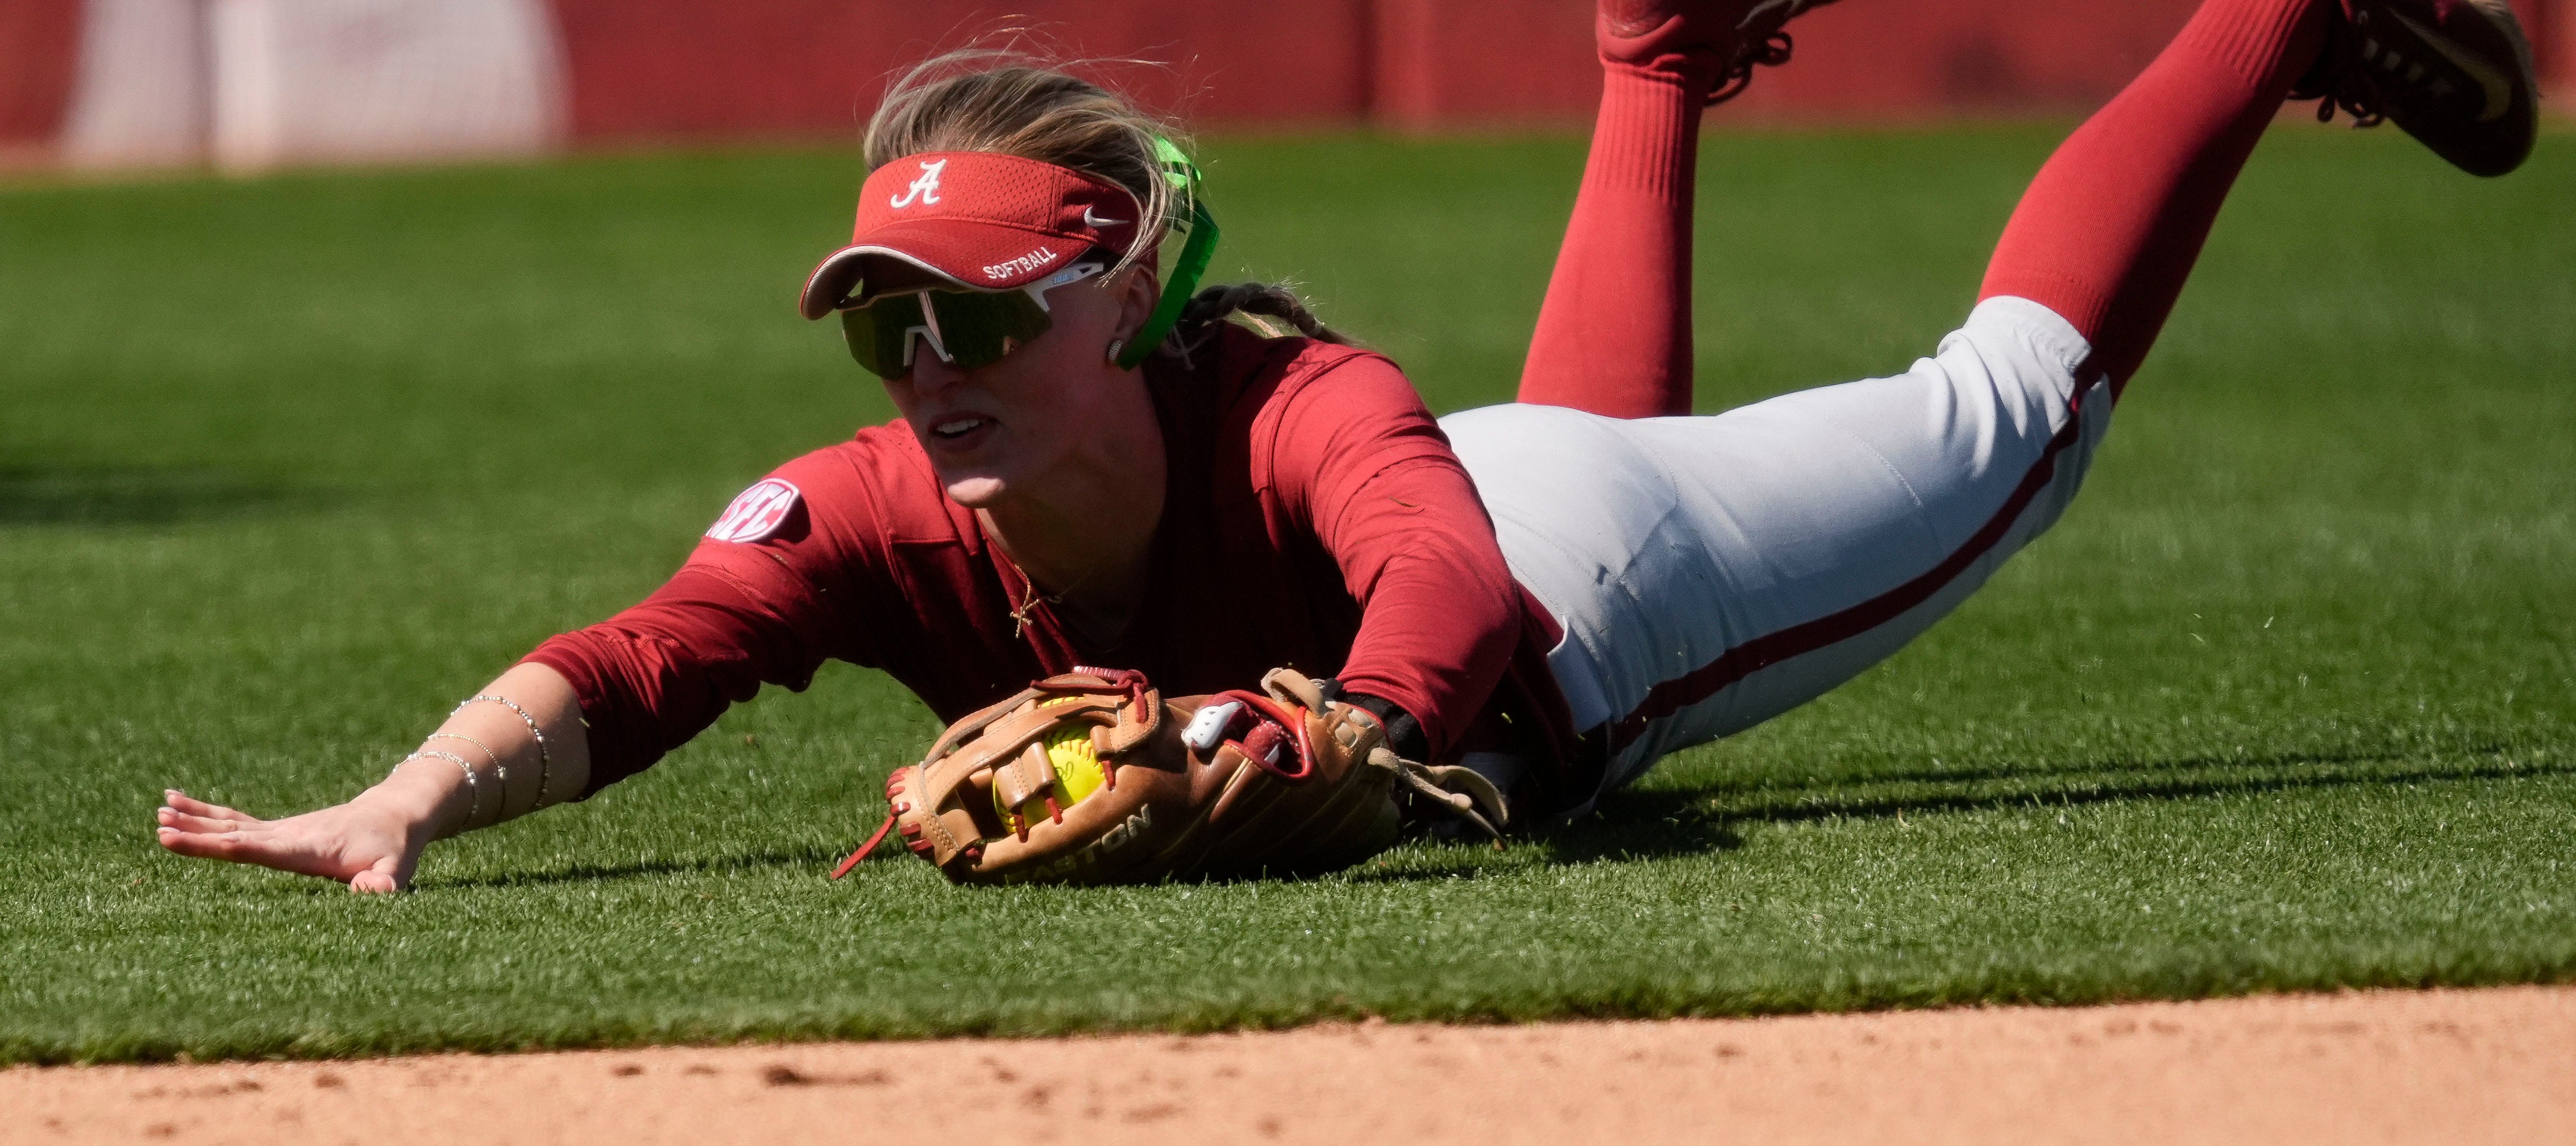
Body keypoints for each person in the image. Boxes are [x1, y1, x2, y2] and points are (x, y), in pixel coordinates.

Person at [155, 0, 2538, 892]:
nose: (921, 365)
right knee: (1581, 439)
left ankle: (2267, 8)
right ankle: (1657, 50)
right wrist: (396, 802)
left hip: (1592, 589)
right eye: (885, 320)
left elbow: (1458, 583)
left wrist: (1343, 732)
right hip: (1498, 503)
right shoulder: (894, 499)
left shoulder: (1302, 400)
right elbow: (645, 655)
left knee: (2001, 421)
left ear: (1123, 299)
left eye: (972, 310)